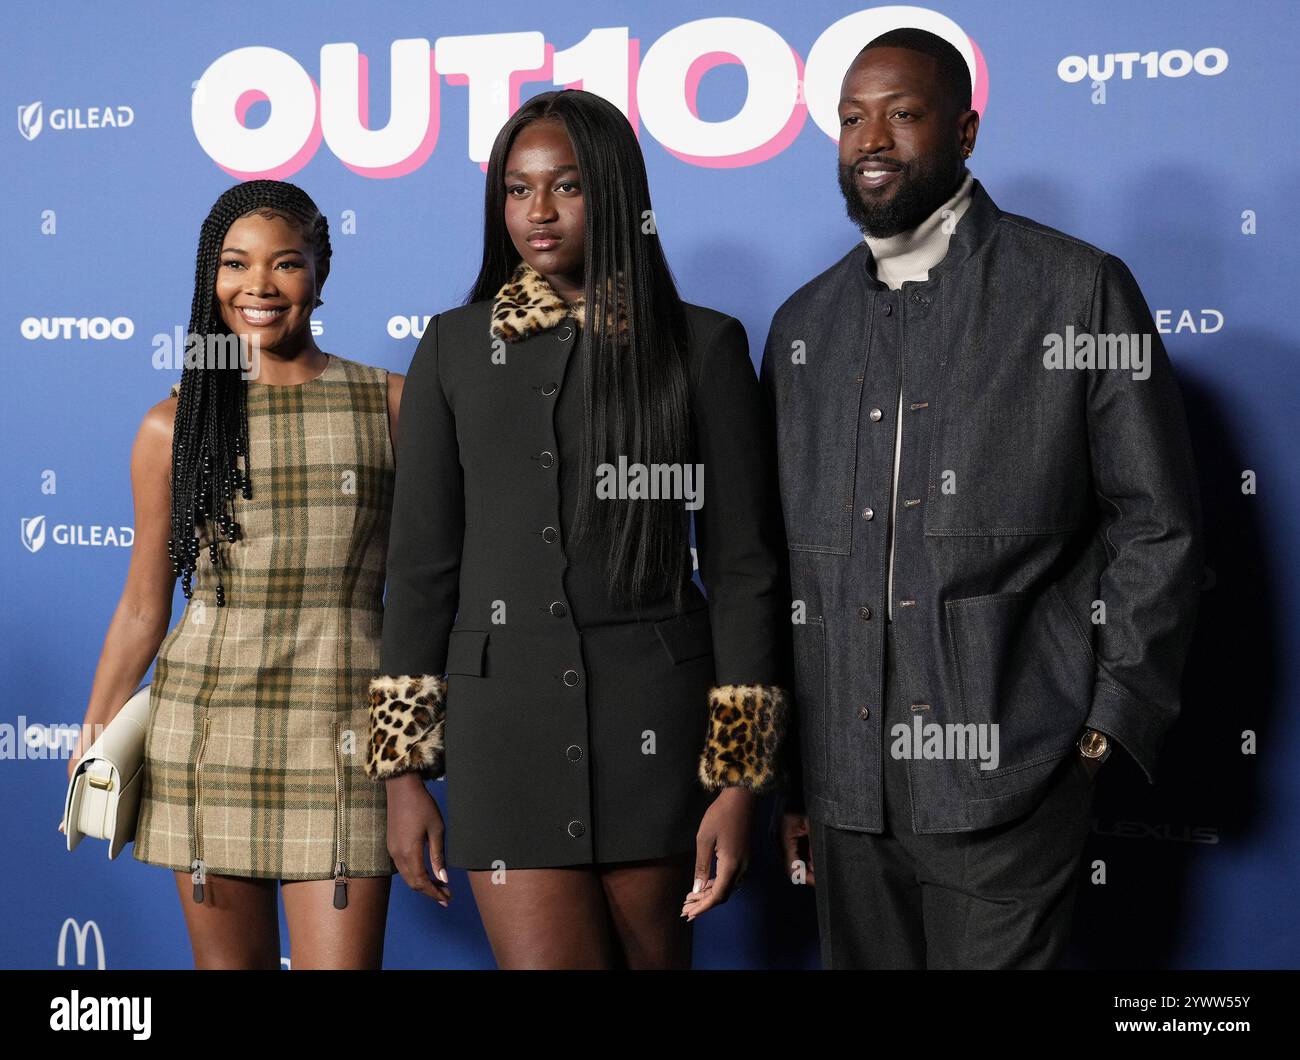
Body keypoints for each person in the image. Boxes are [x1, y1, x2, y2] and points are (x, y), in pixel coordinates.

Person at [765, 29, 1202, 968]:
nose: (870, 137)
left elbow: (1158, 523)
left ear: (965, 131)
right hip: (846, 792)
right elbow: (779, 560)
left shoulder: (1077, 289)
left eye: (903, 113)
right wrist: (792, 775)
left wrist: (1103, 729)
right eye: (850, 118)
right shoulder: (805, 326)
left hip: (1014, 774)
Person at [366, 89, 791, 970]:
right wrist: (402, 770)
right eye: (518, 191)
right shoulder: (452, 348)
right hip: (502, 733)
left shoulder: (701, 347)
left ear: (616, 195)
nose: (539, 213)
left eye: (565, 187)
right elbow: (419, 571)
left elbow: (746, 571)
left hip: (658, 733)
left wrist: (739, 778)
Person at [69, 180, 404, 969]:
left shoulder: (393, 406)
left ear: (321, 272)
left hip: (347, 737)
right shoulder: (174, 423)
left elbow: (436, 584)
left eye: (285, 263)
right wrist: (94, 731)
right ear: (207, 278)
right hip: (206, 738)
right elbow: (145, 606)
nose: (257, 287)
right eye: (234, 265)